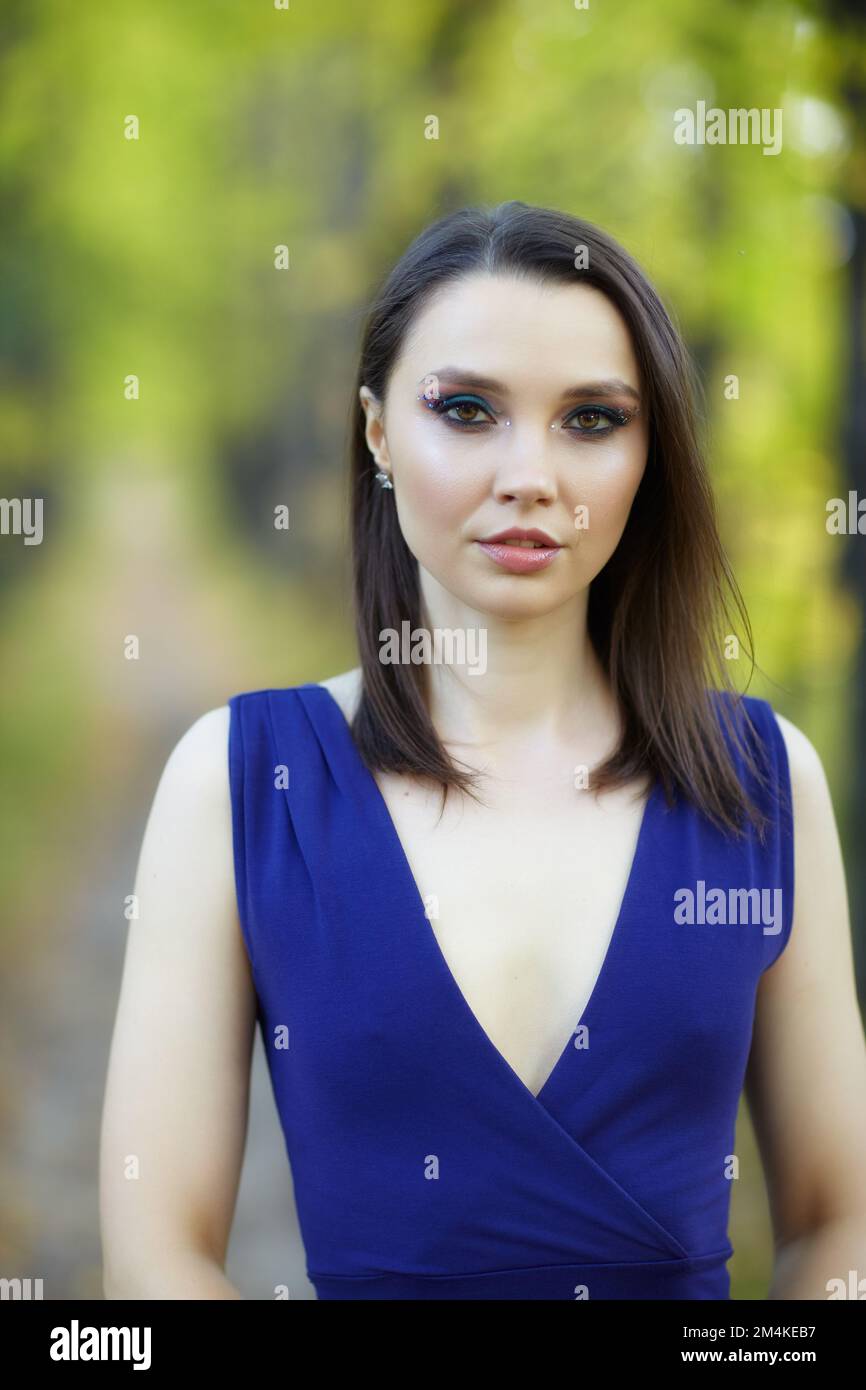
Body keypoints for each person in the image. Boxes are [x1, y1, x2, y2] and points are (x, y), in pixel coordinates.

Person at [99, 201, 866, 1300]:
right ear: (377, 433)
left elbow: (838, 1223)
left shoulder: (761, 783)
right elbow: (156, 1255)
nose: (530, 475)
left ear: (648, 450)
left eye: (591, 419)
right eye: (467, 410)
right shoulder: (241, 782)